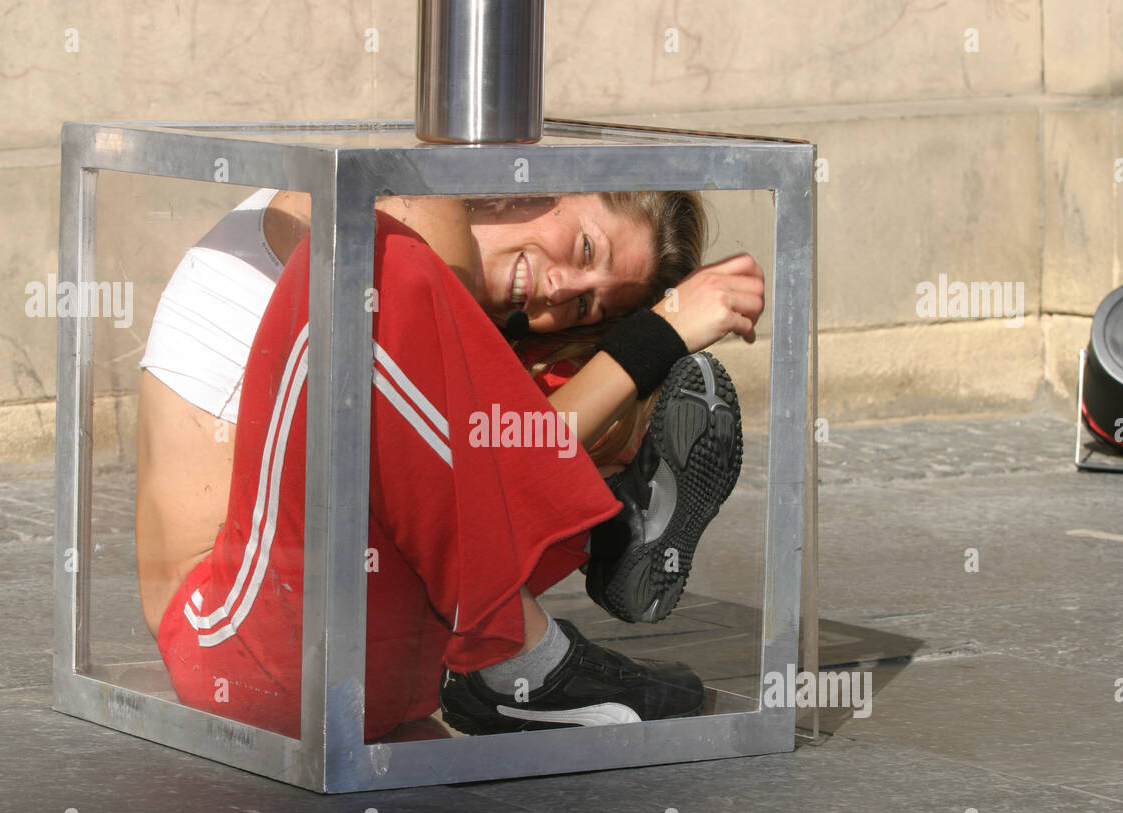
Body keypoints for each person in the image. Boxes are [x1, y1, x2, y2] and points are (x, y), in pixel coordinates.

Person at [135, 188, 765, 741]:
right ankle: (545, 624)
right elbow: (484, 458)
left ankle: (581, 558)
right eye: (583, 250)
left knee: (527, 386)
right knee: (381, 256)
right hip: (235, 644)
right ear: (543, 188)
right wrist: (658, 337)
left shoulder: (457, 306)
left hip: (367, 665)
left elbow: (478, 458)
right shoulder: (407, 205)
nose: (559, 290)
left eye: (583, 307)